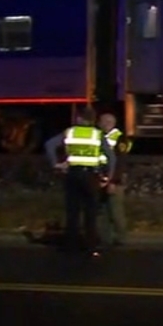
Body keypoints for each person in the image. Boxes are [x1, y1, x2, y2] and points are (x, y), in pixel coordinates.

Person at [42, 108, 106, 255]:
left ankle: (71, 246)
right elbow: (110, 156)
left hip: (72, 174)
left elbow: (49, 145)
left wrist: (56, 164)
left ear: (79, 118)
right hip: (90, 176)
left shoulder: (69, 132)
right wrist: (107, 175)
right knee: (90, 213)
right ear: (92, 120)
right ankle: (91, 246)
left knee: (72, 212)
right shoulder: (97, 134)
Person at [97, 111, 130, 246]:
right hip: (101, 177)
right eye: (103, 122)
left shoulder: (120, 138)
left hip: (114, 179)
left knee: (115, 210)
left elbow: (120, 161)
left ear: (114, 123)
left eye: (108, 122)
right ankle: (106, 238)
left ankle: (121, 237)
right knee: (103, 211)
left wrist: (114, 181)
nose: (105, 124)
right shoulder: (98, 136)